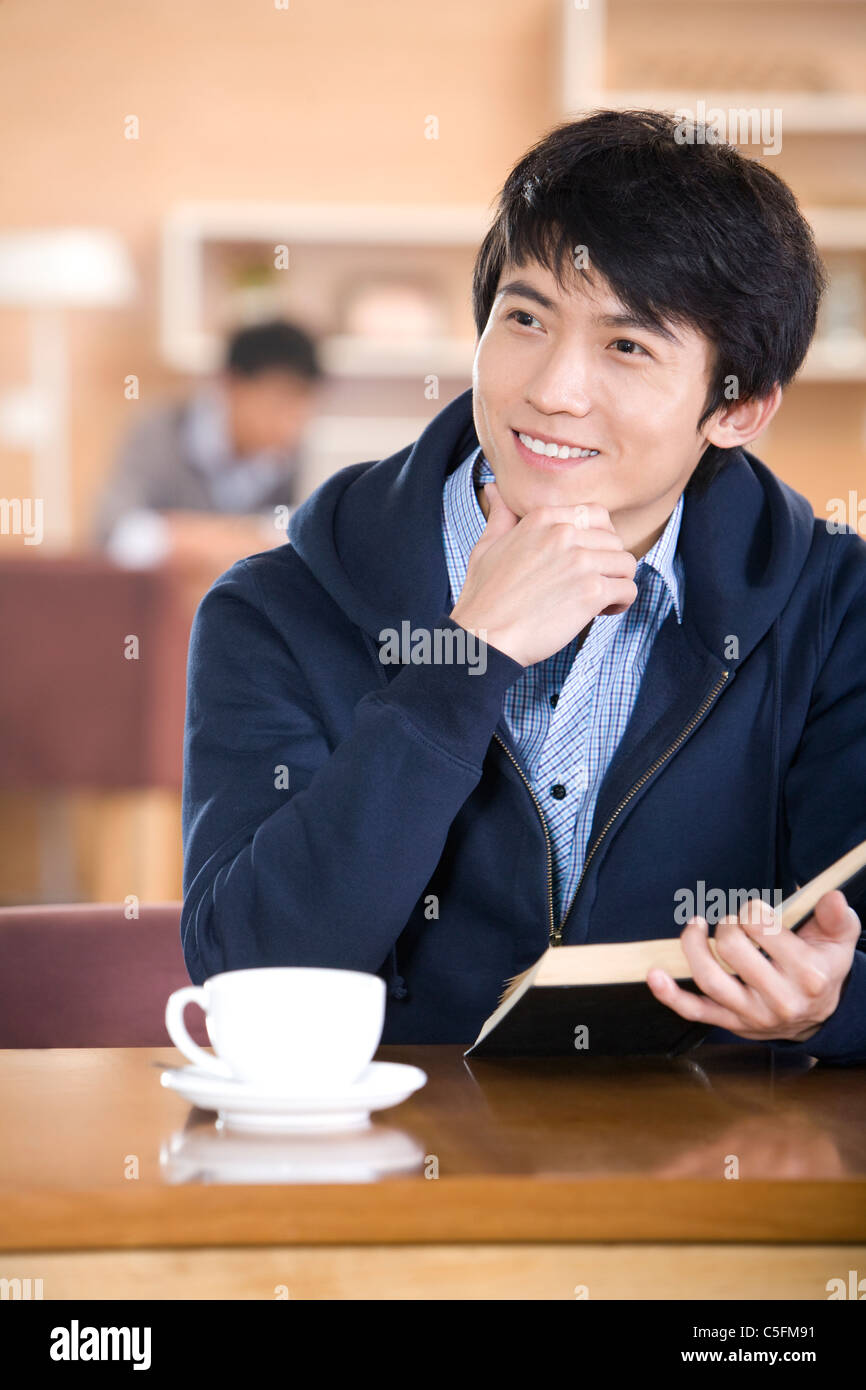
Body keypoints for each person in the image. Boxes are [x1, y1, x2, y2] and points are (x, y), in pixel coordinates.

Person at [181, 110, 866, 1062]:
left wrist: (828, 1004)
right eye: (527, 317)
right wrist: (464, 662)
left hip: (708, 1180)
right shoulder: (274, 608)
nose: (551, 388)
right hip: (384, 1173)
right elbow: (250, 973)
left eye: (627, 347)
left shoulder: (835, 608)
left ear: (739, 407)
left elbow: (853, 944)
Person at [94, 319, 322, 560]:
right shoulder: (160, 431)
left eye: (301, 406)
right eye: (279, 401)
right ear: (231, 384)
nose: (290, 423)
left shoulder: (288, 453)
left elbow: (290, 536)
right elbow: (116, 533)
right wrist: (235, 538)